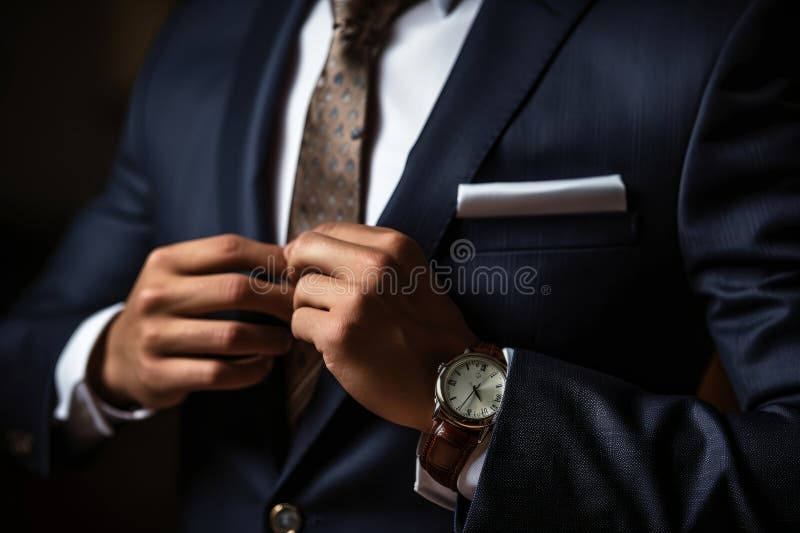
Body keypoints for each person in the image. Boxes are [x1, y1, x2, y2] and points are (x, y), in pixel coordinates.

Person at [2, 0, 799, 531]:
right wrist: (107, 360)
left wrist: (470, 398)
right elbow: (23, 355)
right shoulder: (198, 38)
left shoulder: (704, 36)